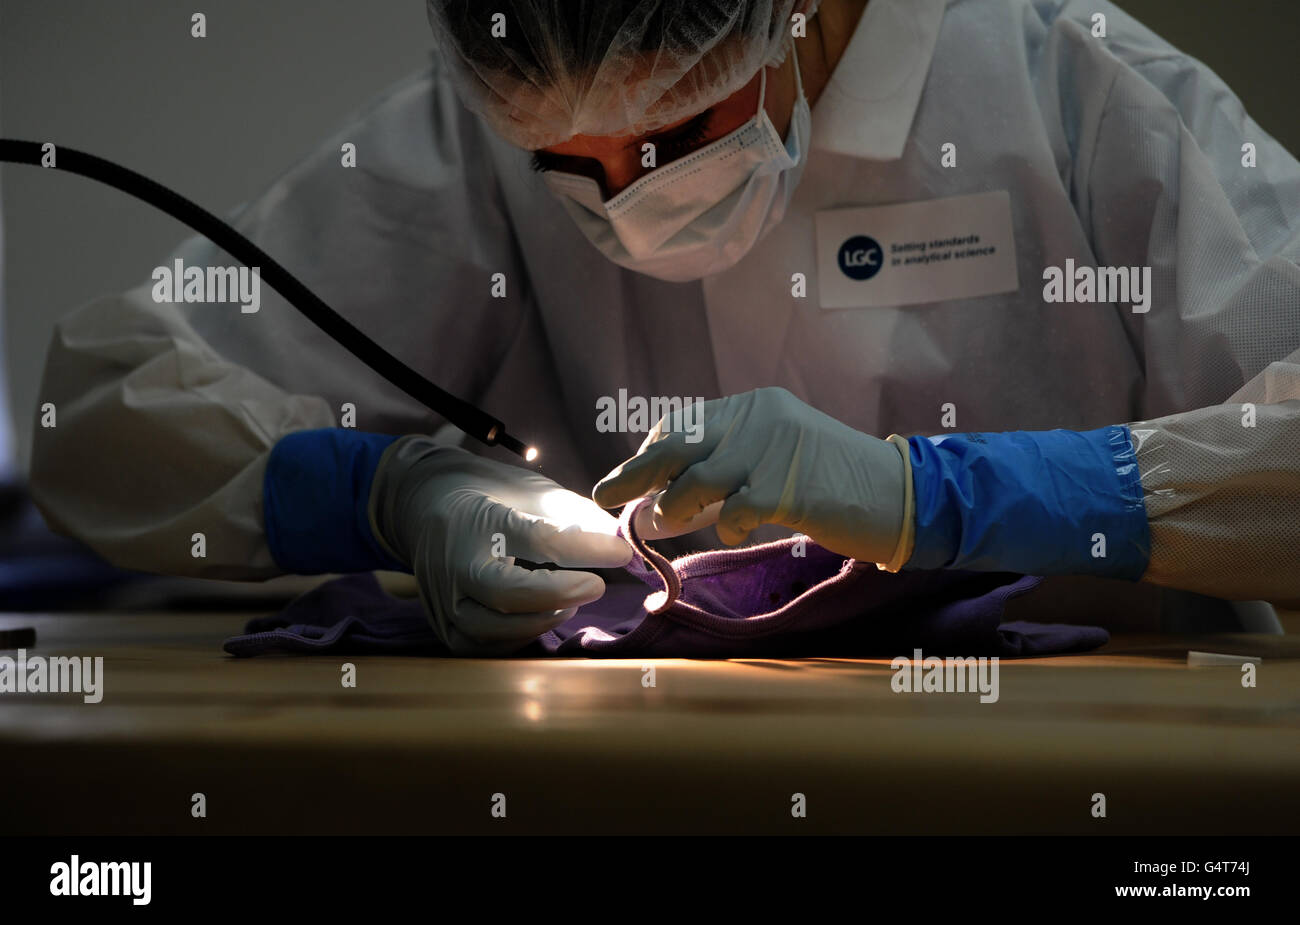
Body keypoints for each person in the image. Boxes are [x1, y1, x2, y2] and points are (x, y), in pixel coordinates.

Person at [30, 0, 1300, 653]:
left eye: (673, 137)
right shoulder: (474, 134)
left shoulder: (1067, 90)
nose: (625, 208)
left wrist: (942, 495)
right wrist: (387, 494)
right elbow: (103, 403)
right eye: (563, 168)